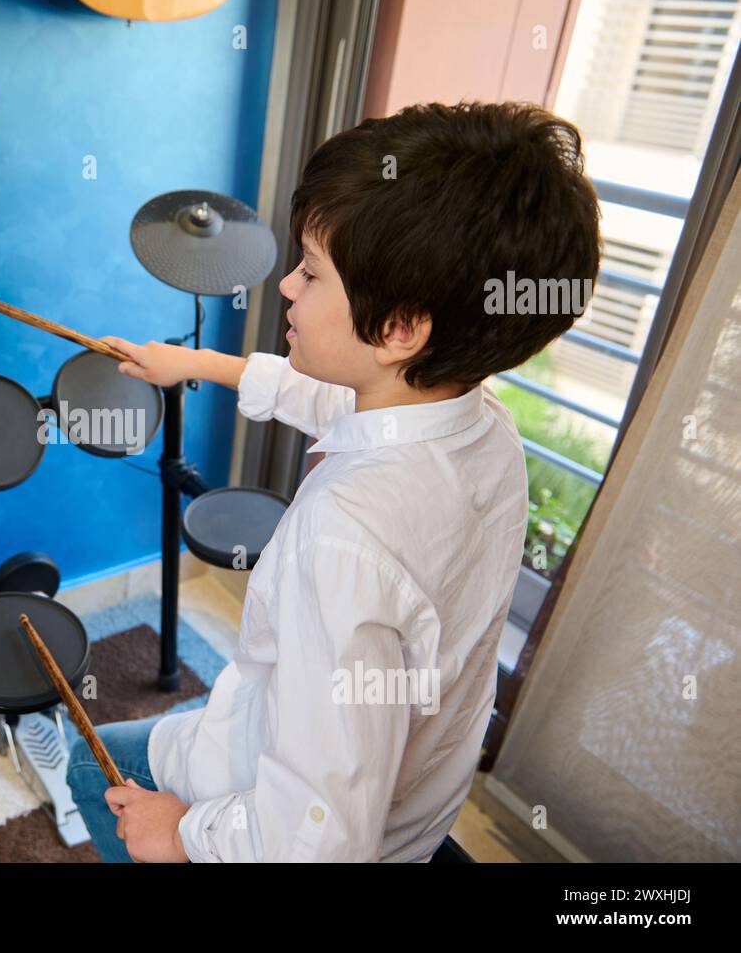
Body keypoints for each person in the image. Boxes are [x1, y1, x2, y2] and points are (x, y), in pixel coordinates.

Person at [65, 101, 601, 862]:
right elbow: (333, 394)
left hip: (298, 821)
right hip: (411, 808)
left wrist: (181, 835)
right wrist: (195, 365)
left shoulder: (347, 536)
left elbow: (318, 840)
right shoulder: (482, 426)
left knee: (93, 758)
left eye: (311, 271)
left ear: (399, 330)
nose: (285, 284)